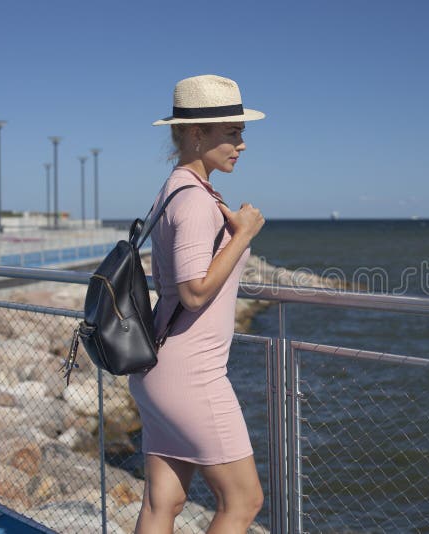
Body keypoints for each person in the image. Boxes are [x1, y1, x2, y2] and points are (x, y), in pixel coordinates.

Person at [128, 74, 266, 533]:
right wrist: (243, 233)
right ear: (195, 134)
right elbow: (193, 290)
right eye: (232, 131)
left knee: (162, 502)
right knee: (243, 500)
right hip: (193, 374)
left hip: (158, 367)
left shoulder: (176, 189)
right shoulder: (193, 202)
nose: (241, 143)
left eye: (241, 131)